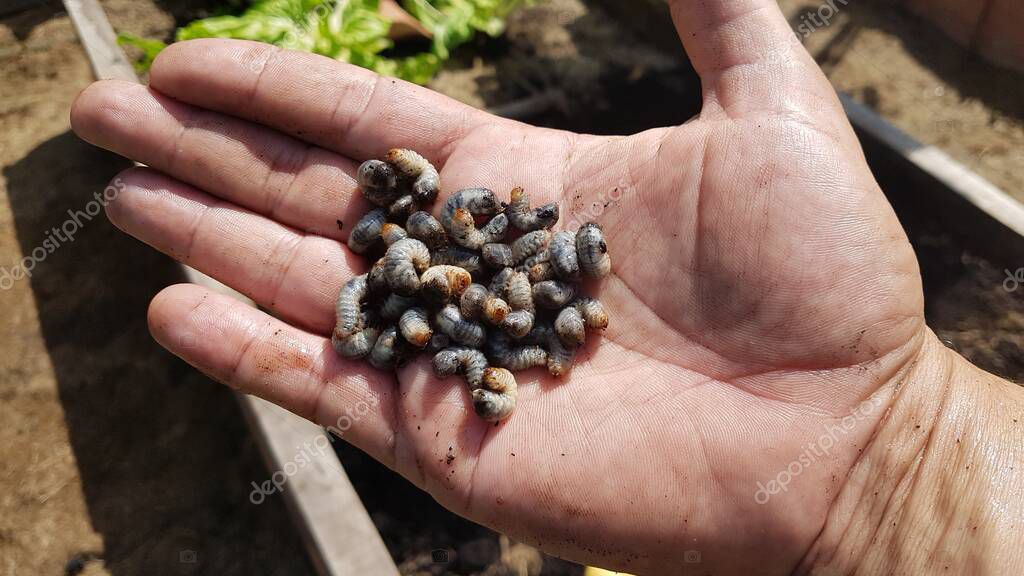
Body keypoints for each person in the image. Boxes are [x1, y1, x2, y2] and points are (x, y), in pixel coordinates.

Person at [69, 0, 1023, 573]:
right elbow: (417, 297)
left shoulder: (497, 287)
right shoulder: (461, 273)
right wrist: (901, 463)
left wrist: (900, 451)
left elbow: (445, 304)